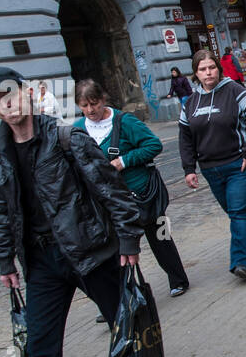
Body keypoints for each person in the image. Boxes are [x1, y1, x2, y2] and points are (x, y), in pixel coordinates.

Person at [0, 66, 144, 357]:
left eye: (13, 94)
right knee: (40, 341)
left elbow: (110, 189)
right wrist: (6, 262)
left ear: (29, 95)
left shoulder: (67, 138)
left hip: (89, 250)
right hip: (41, 261)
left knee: (124, 318)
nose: (9, 104)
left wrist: (128, 240)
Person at [74, 78, 189, 299]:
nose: (90, 110)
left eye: (94, 104)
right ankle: (123, 296)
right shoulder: (78, 129)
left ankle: (178, 279)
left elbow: (154, 145)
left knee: (161, 237)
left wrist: (123, 161)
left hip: (143, 194)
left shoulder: (124, 121)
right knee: (115, 250)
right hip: (108, 201)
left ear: (102, 100)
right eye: (84, 105)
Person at [179, 49, 246, 281]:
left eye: (211, 67)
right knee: (238, 211)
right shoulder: (190, 102)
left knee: (239, 211)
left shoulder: (235, 92)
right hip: (211, 169)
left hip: (241, 164)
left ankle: (241, 261)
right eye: (202, 69)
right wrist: (189, 169)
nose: (208, 73)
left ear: (218, 68)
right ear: (196, 73)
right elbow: (185, 138)